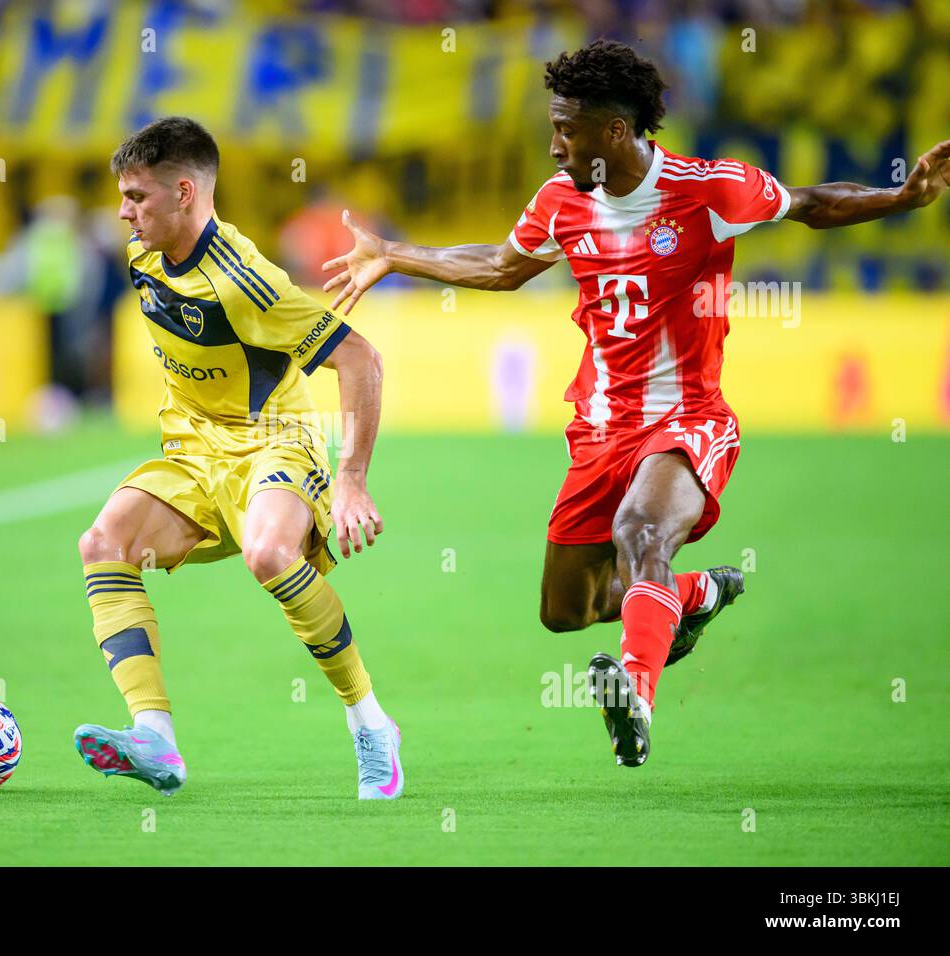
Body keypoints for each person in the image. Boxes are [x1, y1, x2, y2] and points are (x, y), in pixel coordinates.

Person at [321, 39, 950, 768]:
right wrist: (395, 254)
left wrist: (903, 198)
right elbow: (499, 265)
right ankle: (692, 595)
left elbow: (810, 204)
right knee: (565, 609)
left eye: (567, 129)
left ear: (615, 132)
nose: (554, 147)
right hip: (599, 429)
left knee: (641, 529)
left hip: (686, 418)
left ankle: (637, 697)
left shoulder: (709, 189)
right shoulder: (561, 203)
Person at [74, 117, 402, 799]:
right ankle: (155, 740)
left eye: (137, 197)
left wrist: (351, 481)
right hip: (195, 452)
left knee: (269, 554)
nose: (123, 211)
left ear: (185, 193)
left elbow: (360, 359)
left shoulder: (244, 279)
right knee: (102, 541)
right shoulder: (140, 255)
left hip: (273, 441)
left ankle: (370, 724)